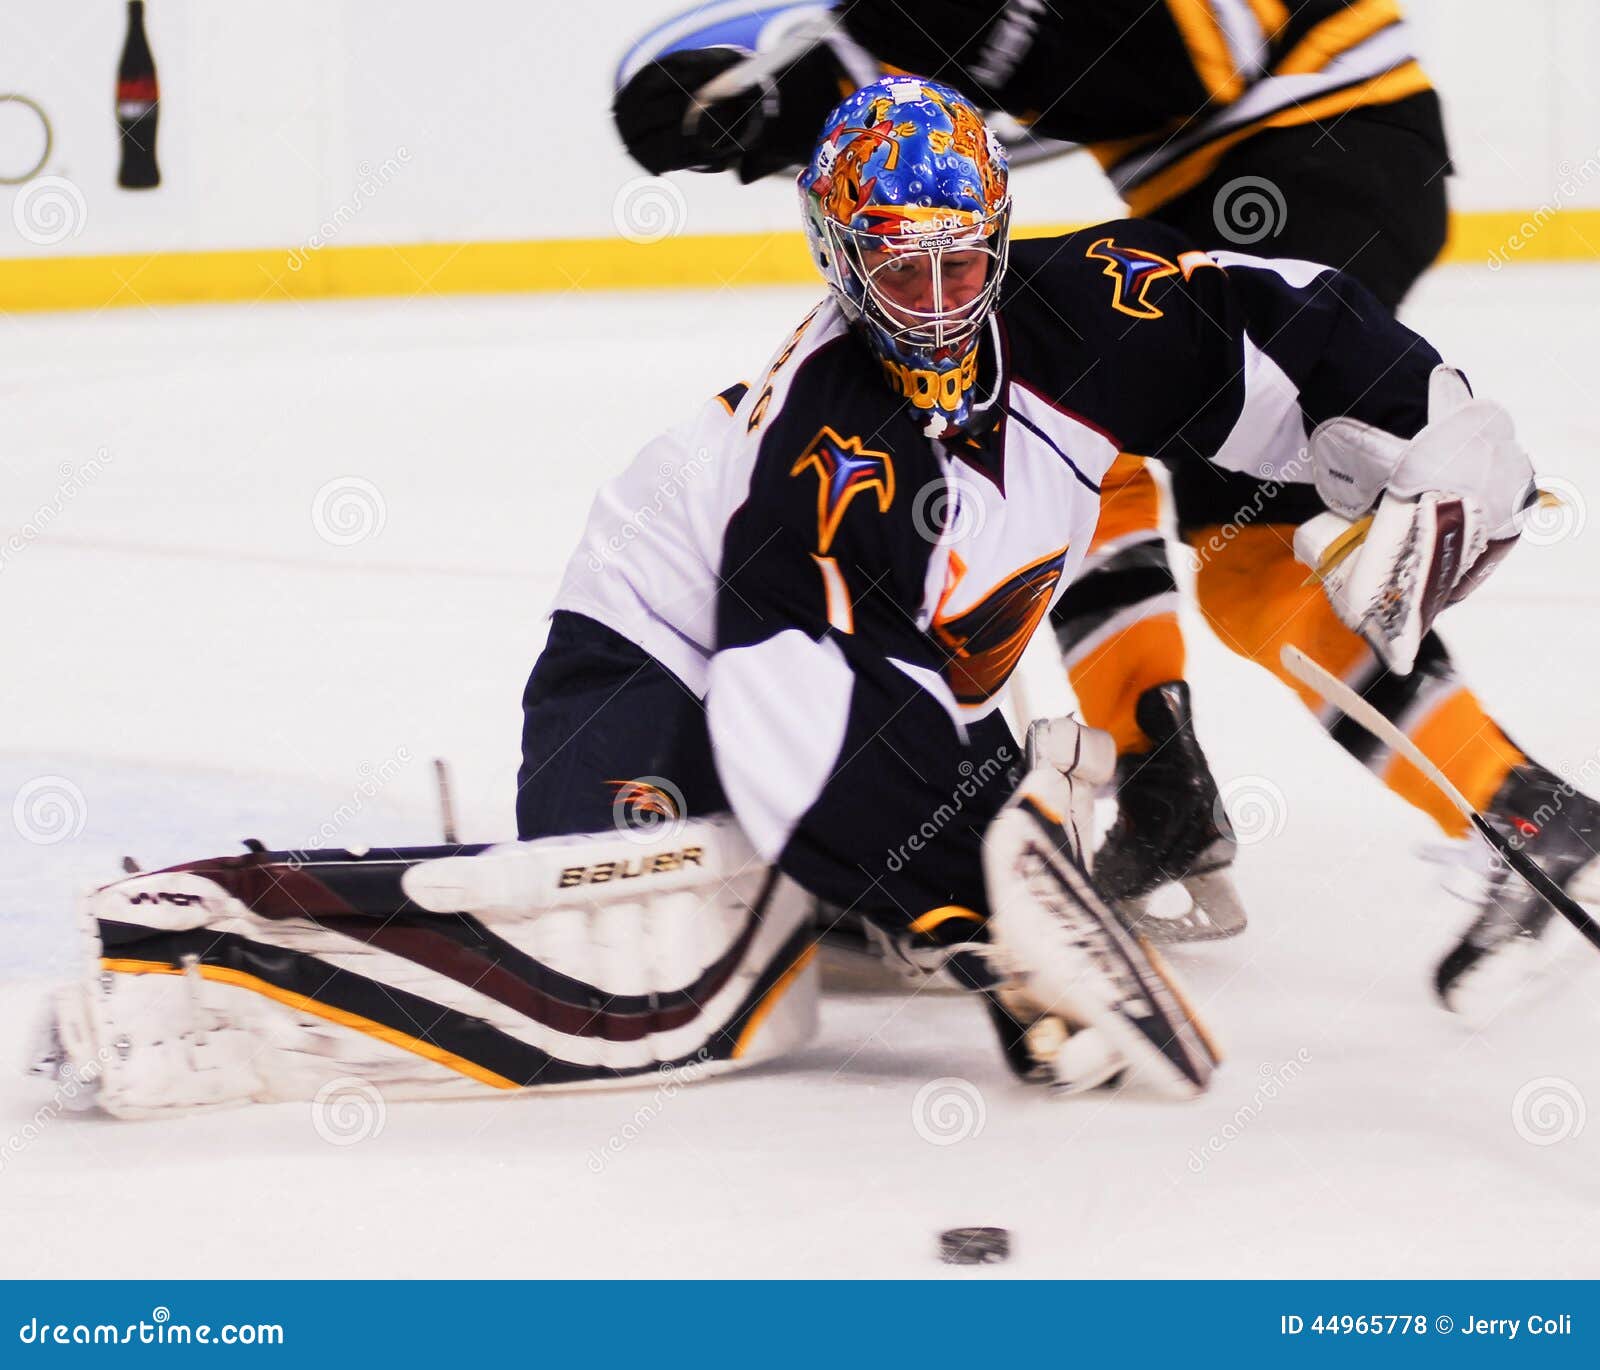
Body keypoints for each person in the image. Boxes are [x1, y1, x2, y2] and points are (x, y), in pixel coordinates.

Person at [520, 71, 1529, 1095]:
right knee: (609, 901)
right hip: (658, 626)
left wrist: (1432, 425)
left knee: (919, 850)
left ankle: (840, 884)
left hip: (905, 656)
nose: (938, 307)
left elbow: (1275, 318)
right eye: (899, 273)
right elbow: (803, 690)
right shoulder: (827, 447)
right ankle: (817, 871)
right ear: (836, 254)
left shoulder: (1088, 307)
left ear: (998, 236)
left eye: (960, 264)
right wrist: (977, 919)